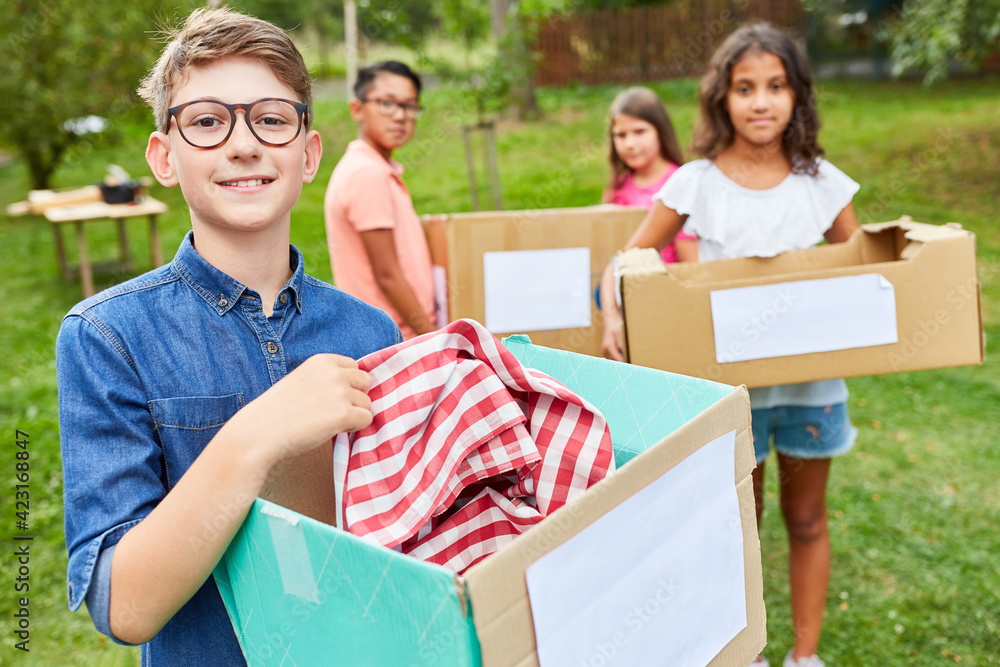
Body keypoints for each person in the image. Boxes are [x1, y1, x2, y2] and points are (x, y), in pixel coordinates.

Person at [56, 8, 400, 665]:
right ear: (164, 157)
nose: (244, 145)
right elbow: (125, 605)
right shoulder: (107, 336)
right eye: (208, 121)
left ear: (308, 153)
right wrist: (255, 434)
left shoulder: (369, 330)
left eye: (270, 118)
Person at [599, 23, 860, 667]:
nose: (762, 101)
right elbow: (629, 258)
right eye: (746, 88)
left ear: (798, 96)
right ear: (723, 97)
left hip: (812, 393)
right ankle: (749, 650)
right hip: (734, 395)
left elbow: (864, 272)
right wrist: (613, 313)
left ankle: (805, 655)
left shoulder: (822, 182)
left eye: (776, 86)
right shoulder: (698, 183)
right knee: (743, 524)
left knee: (806, 520)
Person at [324, 60, 435, 339]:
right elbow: (387, 274)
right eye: (387, 103)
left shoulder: (378, 170)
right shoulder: (366, 174)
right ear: (357, 109)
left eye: (410, 106)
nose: (400, 116)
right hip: (394, 340)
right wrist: (433, 338)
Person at [603, 86, 697, 264]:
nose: (630, 143)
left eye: (639, 132)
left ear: (660, 131)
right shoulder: (621, 185)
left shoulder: (680, 184)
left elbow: (691, 264)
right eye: (621, 135)